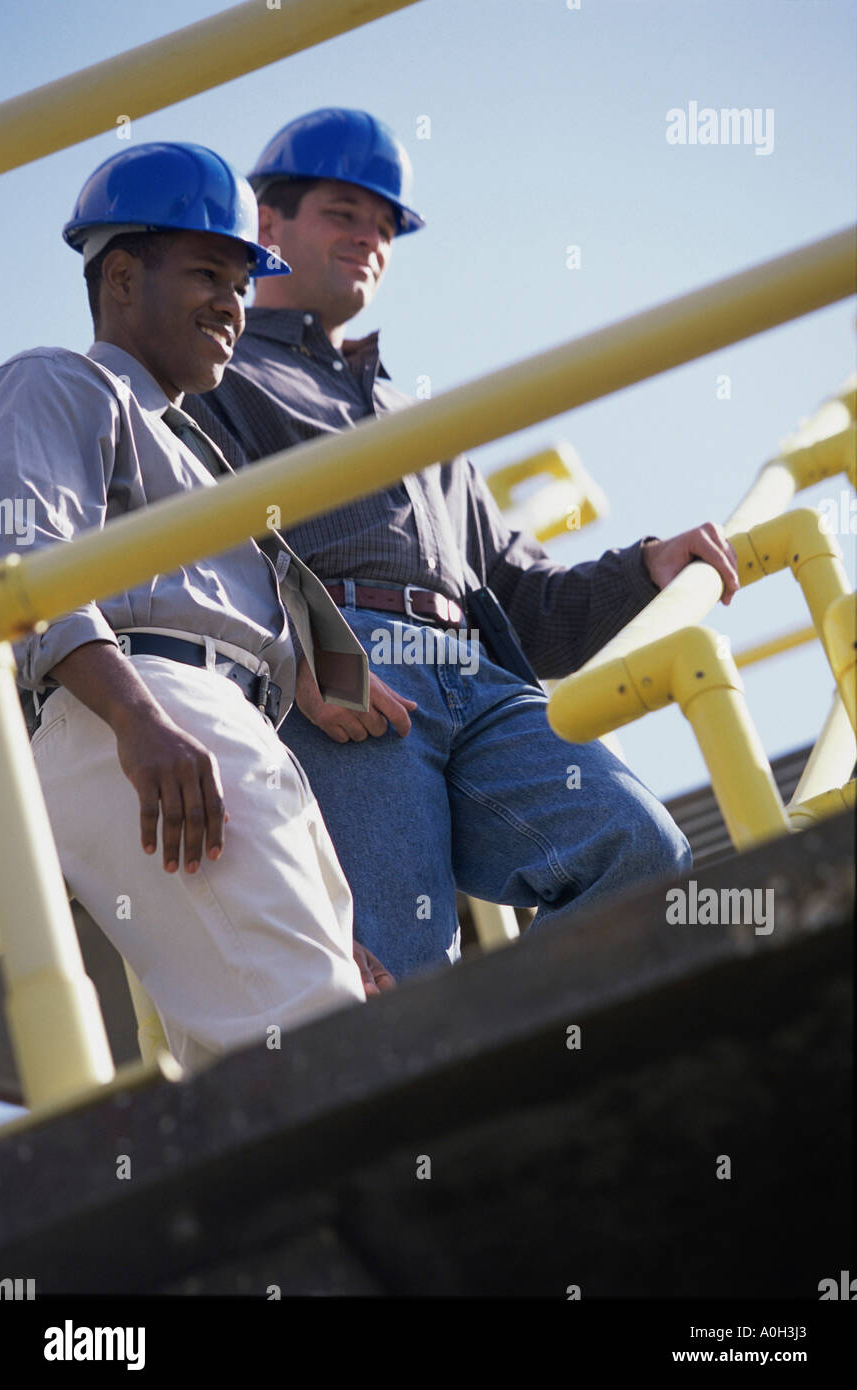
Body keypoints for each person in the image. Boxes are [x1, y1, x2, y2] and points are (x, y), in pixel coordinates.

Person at [186, 109, 740, 982]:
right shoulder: (218, 372)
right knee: (400, 965)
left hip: (479, 675)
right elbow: (183, 552)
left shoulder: (417, 420)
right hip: (344, 674)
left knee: (638, 851)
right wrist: (295, 652)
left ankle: (524, 1072)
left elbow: (525, 597)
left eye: (385, 226)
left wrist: (644, 568)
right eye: (342, 212)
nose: (369, 238)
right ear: (269, 225)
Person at [0, 140, 379, 1073]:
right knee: (316, 1042)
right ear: (120, 276)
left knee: (261, 1054)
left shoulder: (201, 454)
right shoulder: (61, 380)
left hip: (228, 729)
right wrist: (139, 721)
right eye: (210, 273)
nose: (233, 306)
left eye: (245, 285)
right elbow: (26, 562)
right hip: (145, 707)